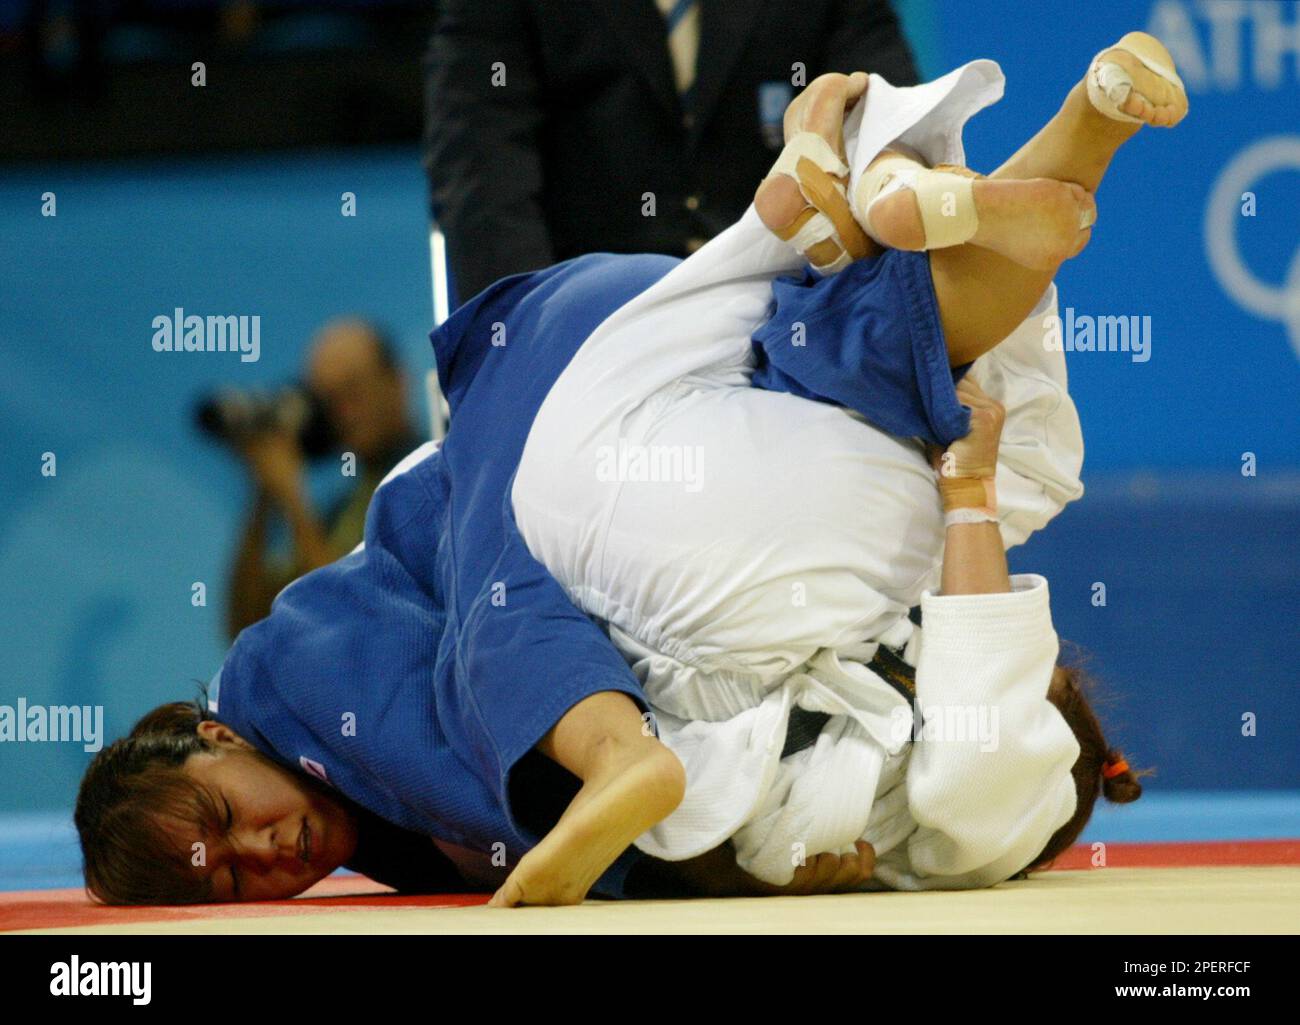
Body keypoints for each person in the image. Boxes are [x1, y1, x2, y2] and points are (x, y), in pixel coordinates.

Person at [75, 32, 1184, 906]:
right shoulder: (363, 791)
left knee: (495, 613)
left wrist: (622, 773)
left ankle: (809, 209)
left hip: (551, 397)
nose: (259, 853)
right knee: (886, 378)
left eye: (218, 821)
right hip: (659, 351)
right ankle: (1061, 134)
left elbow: (494, 638)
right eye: (221, 882)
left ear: (214, 736)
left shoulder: (282, 677)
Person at [424, 0, 919, 302]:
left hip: (793, 313)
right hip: (594, 324)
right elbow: (481, 173)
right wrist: (536, 332)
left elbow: (891, 115)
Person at [226, 318, 424, 637]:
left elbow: (354, 613)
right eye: (327, 399)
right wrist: (264, 495)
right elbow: (246, 625)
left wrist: (292, 498)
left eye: (352, 390)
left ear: (397, 383)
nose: (342, 412)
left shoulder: (429, 482)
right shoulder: (339, 513)